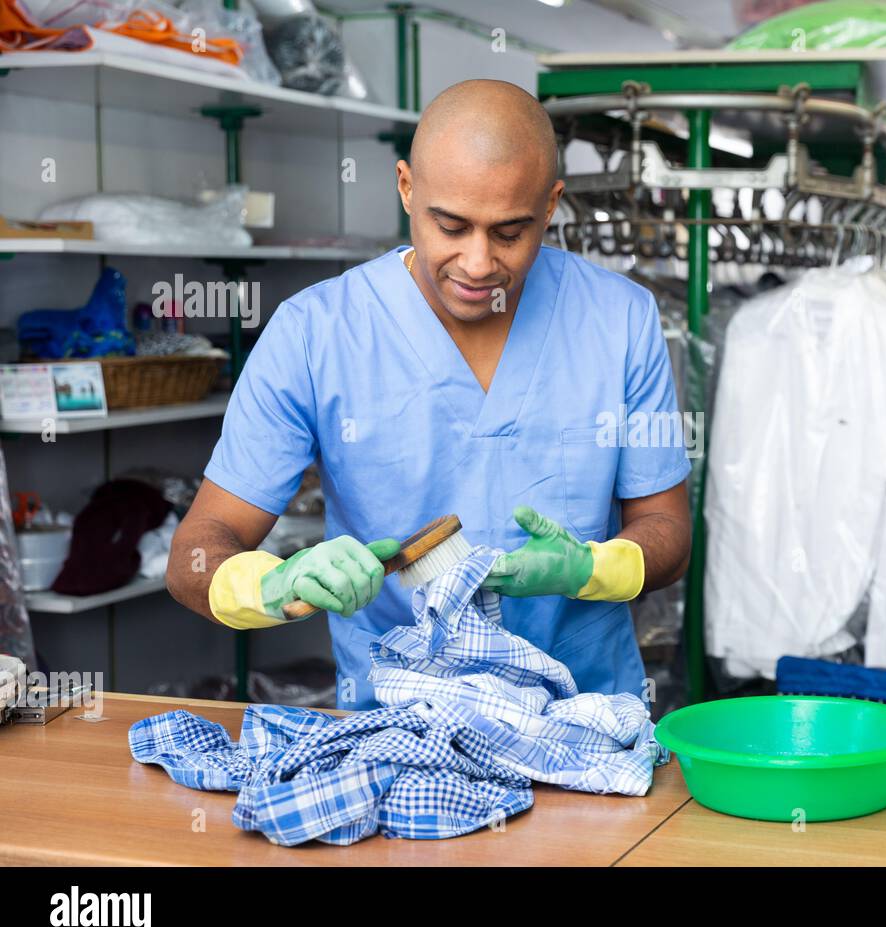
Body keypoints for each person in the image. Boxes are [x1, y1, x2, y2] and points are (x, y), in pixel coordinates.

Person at [166, 80, 692, 709]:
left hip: (586, 716)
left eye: (509, 233)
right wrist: (273, 585)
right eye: (451, 226)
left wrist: (592, 569)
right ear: (407, 188)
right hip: (400, 725)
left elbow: (668, 532)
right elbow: (194, 553)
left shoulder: (621, 319)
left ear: (551, 205)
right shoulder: (316, 333)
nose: (476, 263)